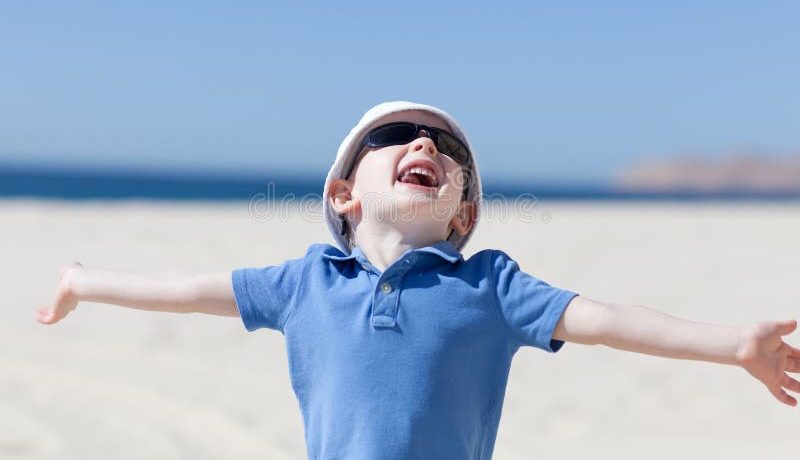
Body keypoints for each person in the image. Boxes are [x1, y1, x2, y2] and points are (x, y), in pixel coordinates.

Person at [37, 101, 800, 460]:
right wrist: (84, 279)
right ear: (344, 195)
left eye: (447, 149)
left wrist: (733, 344)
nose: (426, 144)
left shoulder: (492, 285)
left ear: (462, 214)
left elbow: (604, 320)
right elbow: (185, 289)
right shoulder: (306, 282)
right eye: (395, 136)